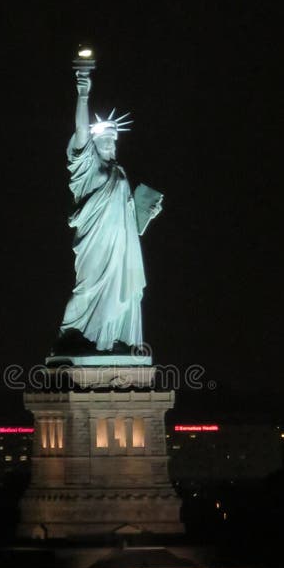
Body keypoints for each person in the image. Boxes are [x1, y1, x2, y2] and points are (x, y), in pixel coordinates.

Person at [55, 71, 162, 355]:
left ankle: (110, 340)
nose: (111, 145)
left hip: (121, 248)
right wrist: (83, 95)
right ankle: (71, 333)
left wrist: (147, 212)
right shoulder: (88, 168)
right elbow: (80, 134)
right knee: (86, 288)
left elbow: (130, 221)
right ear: (94, 144)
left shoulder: (120, 172)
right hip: (94, 244)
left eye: (114, 141)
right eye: (105, 141)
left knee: (119, 295)